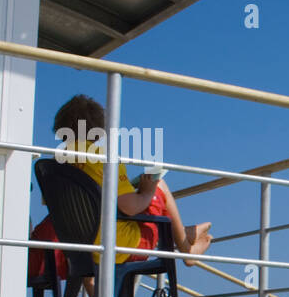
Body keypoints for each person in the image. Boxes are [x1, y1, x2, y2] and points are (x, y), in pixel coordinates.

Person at [51, 94, 212, 267]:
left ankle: (183, 235)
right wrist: (147, 191)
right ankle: (187, 250)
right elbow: (129, 207)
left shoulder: (57, 164)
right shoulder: (100, 157)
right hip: (119, 245)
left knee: (144, 198)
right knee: (159, 185)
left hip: (77, 247)